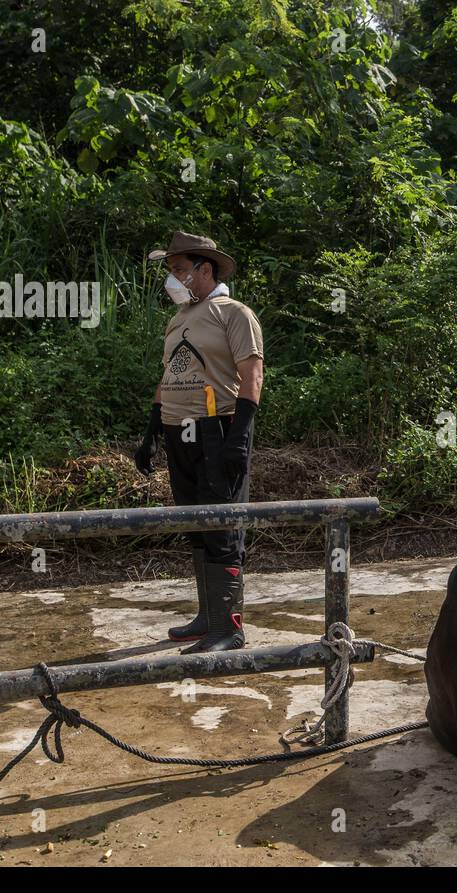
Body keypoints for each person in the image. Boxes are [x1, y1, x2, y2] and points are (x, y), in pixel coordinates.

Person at [134, 231, 264, 654]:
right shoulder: (180, 319)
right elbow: (169, 374)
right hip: (178, 433)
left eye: (178, 270)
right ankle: (208, 617)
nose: (172, 280)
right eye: (171, 272)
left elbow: (252, 375)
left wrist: (239, 438)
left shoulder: (234, 314)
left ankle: (228, 628)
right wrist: (152, 431)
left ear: (204, 269)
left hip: (216, 430)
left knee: (222, 526)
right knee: (196, 525)